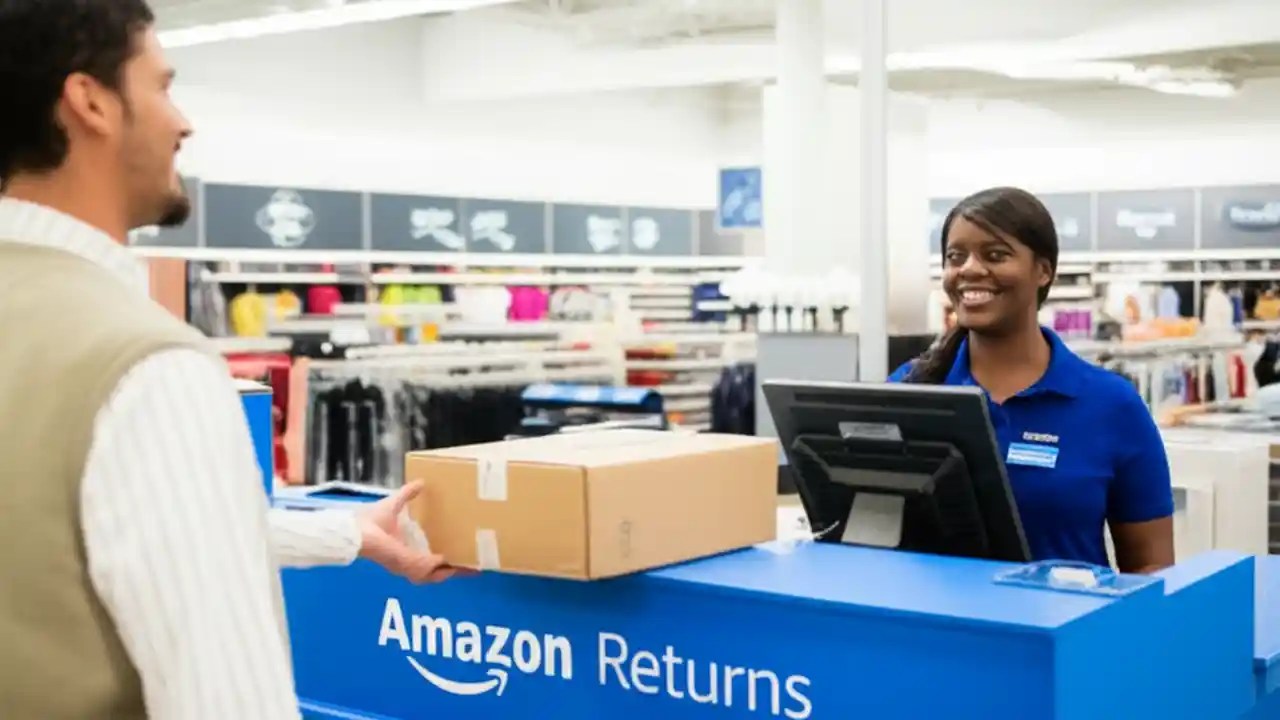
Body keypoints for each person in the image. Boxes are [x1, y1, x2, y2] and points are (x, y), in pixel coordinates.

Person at [0, 2, 463, 718]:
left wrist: (346, 533)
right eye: (162, 85)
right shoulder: (146, 366)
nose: (182, 122)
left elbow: (59, 536)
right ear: (90, 101)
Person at [890, 187, 1175, 574]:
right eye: (956, 256)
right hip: (934, 631)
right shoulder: (909, 389)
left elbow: (1151, 569)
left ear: (1043, 270)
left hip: (1068, 631)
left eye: (995, 255)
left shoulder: (1111, 405)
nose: (970, 269)